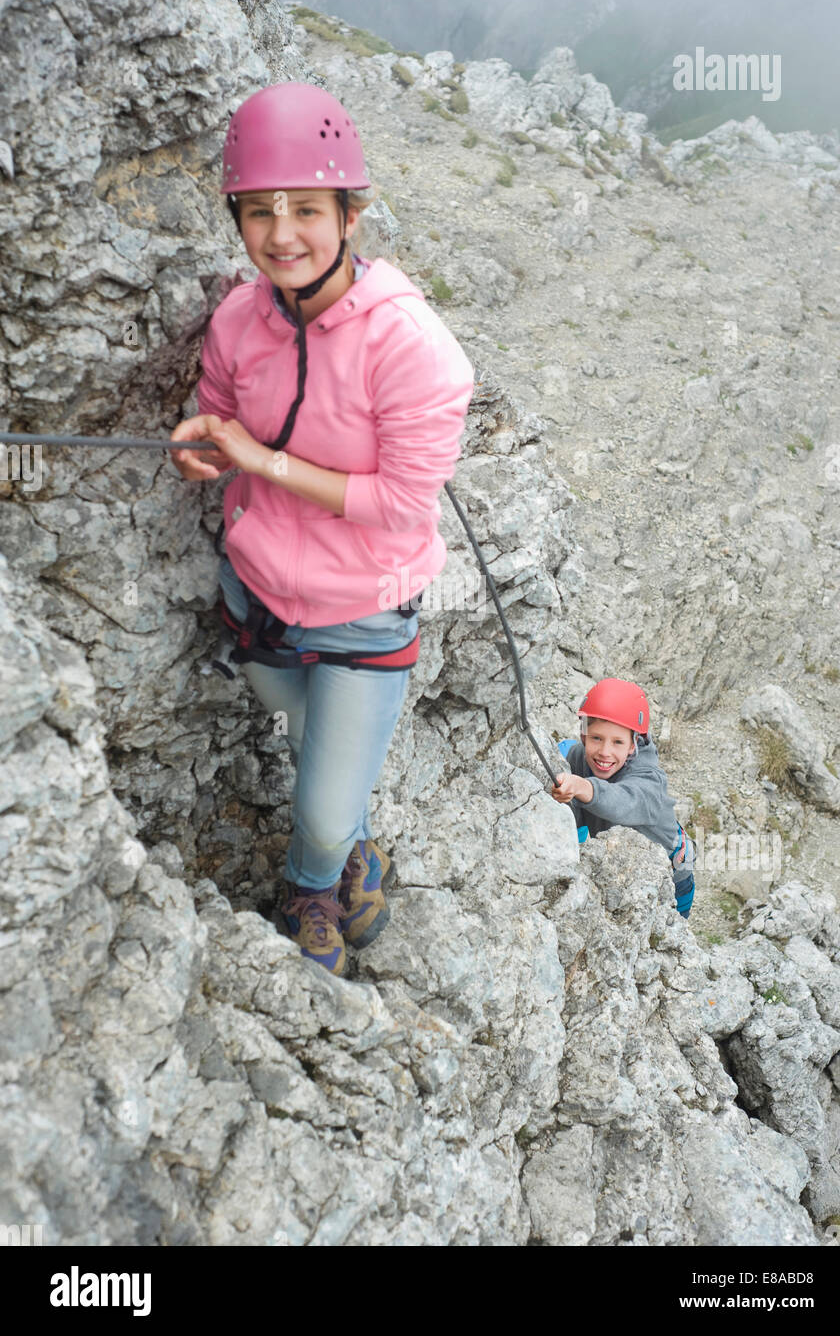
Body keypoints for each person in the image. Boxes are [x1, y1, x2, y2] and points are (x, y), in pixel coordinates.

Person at [169, 82, 476, 976]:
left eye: (307, 208)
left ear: (352, 213)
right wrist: (209, 451)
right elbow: (221, 414)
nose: (282, 234)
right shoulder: (237, 321)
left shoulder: (410, 347)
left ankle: (313, 887)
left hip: (362, 610)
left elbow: (403, 504)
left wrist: (259, 460)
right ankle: (355, 842)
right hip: (260, 590)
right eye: (259, 212)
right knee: (311, 751)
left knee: (317, 805)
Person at [550, 678, 697, 917]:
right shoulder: (577, 757)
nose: (605, 752)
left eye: (617, 742)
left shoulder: (650, 782)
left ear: (633, 744)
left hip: (672, 878)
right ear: (584, 735)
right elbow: (563, 752)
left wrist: (583, 787)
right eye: (597, 738)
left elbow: (624, 800)